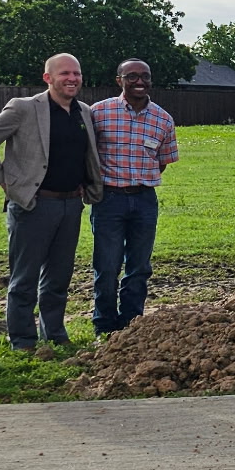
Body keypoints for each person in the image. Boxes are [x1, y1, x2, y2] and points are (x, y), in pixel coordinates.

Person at [0, 52, 104, 355]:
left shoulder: (84, 112)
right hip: (33, 205)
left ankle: (54, 332)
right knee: (24, 277)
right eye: (64, 73)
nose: (72, 79)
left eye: (76, 73)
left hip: (71, 205)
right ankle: (23, 340)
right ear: (48, 78)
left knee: (59, 277)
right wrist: (3, 180)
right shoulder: (24, 108)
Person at [87, 58, 178, 335]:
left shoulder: (163, 119)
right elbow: (87, 154)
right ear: (119, 80)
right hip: (109, 199)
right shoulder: (98, 113)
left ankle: (131, 324)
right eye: (132, 76)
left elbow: (162, 161)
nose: (139, 82)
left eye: (145, 76)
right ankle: (104, 325)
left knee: (139, 266)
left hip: (144, 200)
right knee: (107, 265)